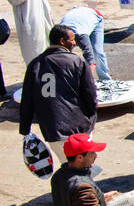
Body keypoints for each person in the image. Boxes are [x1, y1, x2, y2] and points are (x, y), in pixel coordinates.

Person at [20, 25, 97, 157]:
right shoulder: (76, 61)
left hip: (51, 129)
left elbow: (27, 99)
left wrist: (25, 129)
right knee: (83, 165)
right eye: (72, 40)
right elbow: (90, 94)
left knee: (67, 164)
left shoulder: (35, 64)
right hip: (78, 126)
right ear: (62, 41)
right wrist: (91, 117)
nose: (74, 43)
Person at [58, 5, 110, 80]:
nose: (73, 45)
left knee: (97, 51)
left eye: (73, 42)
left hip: (94, 16)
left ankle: (105, 79)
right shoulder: (58, 34)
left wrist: (88, 82)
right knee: (64, 55)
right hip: (77, 14)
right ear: (62, 41)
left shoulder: (81, 36)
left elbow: (90, 57)